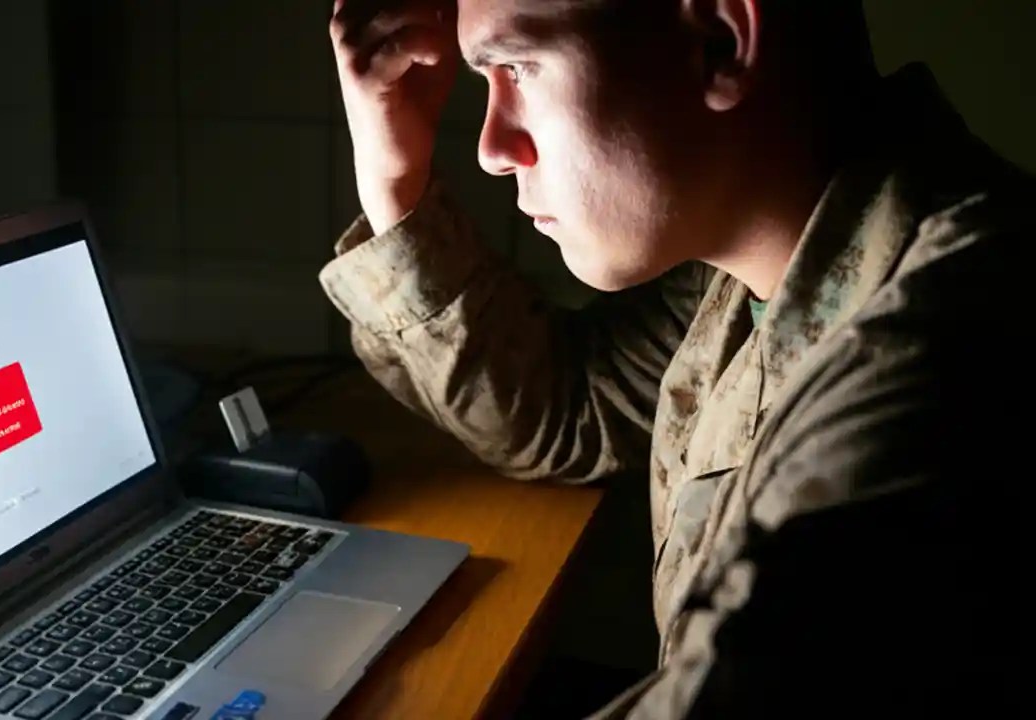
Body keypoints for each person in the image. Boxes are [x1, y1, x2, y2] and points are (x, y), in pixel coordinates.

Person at [323, 0, 1026, 716]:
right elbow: (570, 407)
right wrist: (391, 180)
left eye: (519, 68)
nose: (492, 148)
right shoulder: (748, 274)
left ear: (721, 42)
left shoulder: (937, 366)